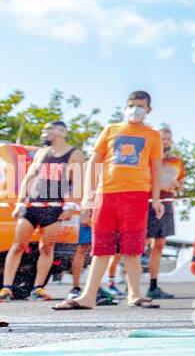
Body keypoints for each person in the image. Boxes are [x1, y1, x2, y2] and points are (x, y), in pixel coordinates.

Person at [54, 91, 164, 311]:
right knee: (101, 248)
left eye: (140, 106)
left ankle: (134, 295)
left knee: (133, 248)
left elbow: (156, 168)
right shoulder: (111, 130)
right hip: (107, 195)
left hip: (137, 195)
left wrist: (156, 199)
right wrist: (88, 196)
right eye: (131, 105)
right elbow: (93, 163)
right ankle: (87, 296)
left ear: (148, 109)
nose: (135, 109)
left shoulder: (153, 135)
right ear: (125, 106)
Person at [1, 121, 84, 302]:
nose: (44, 134)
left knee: (46, 248)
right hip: (32, 205)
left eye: (47, 130)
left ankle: (38, 288)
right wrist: (20, 203)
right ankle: (6, 287)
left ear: (60, 132)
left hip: (54, 206)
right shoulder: (41, 153)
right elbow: (29, 177)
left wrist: (73, 206)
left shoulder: (74, 153)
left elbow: (78, 182)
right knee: (18, 245)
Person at [145, 127, 185, 301]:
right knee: (138, 245)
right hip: (147, 204)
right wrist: (158, 187)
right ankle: (120, 283)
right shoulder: (148, 159)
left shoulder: (176, 161)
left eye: (168, 139)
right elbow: (143, 181)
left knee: (159, 245)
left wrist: (176, 185)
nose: (165, 141)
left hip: (167, 205)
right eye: (163, 138)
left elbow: (181, 185)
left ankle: (153, 286)